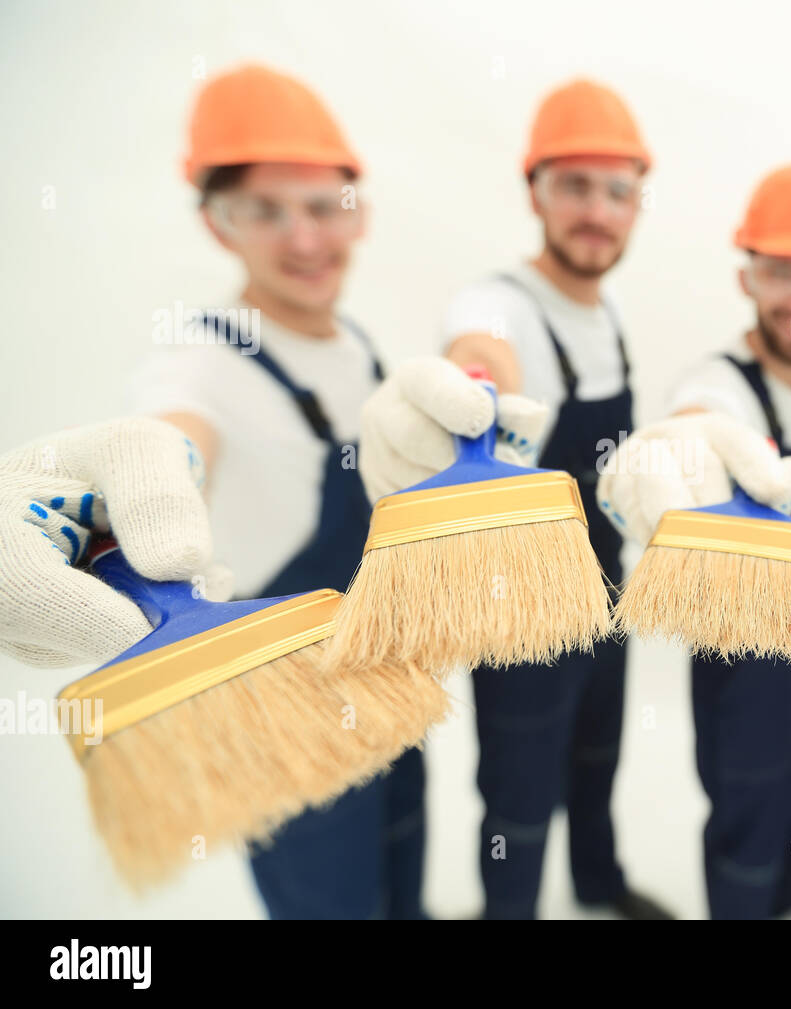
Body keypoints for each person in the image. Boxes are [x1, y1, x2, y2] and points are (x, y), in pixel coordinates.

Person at [125, 64, 537, 918]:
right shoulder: (200, 361)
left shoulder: (354, 343)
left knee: (401, 872)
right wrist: (139, 481)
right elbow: (171, 437)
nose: (305, 239)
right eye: (262, 211)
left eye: (323, 206)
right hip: (286, 717)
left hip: (388, 682)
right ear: (215, 223)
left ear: (360, 210)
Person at [364, 78, 669, 919]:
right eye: (574, 185)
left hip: (607, 584)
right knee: (521, 782)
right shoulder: (501, 302)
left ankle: (599, 884)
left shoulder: (602, 312)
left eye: (619, 191)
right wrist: (472, 383)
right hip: (521, 604)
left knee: (597, 752)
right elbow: (481, 351)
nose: (597, 212)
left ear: (639, 201)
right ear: (534, 189)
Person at [596, 161, 791, 918]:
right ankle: (747, 897)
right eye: (781, 271)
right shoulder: (722, 379)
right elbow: (697, 416)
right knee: (751, 793)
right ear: (747, 275)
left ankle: (783, 884)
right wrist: (679, 445)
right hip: (746, 644)